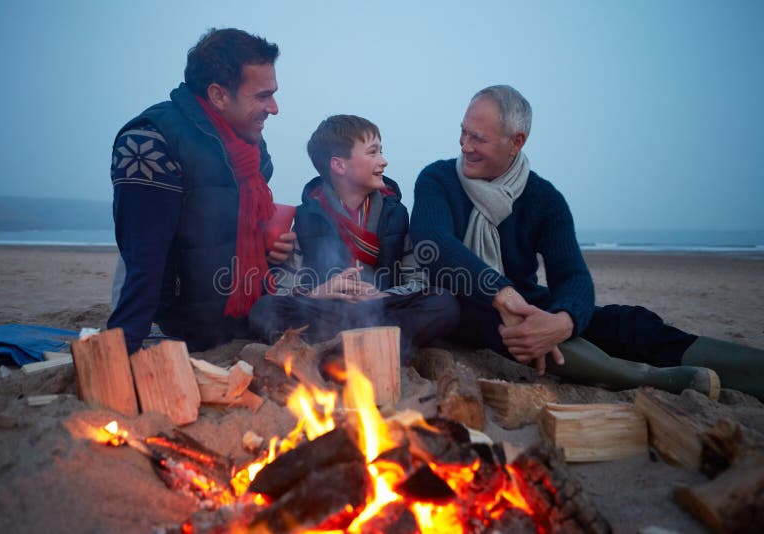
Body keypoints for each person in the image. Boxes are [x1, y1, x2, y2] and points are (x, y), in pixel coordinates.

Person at [410, 85, 764, 399]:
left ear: (516, 141)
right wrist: (501, 293)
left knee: (630, 323)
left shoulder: (544, 199)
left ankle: (750, 370)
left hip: (528, 305)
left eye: (479, 139)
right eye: (463, 132)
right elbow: (433, 243)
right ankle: (649, 380)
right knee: (514, 325)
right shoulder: (438, 179)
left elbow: (574, 277)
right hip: (463, 302)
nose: (464, 145)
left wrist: (563, 321)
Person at [108, 28, 295, 354]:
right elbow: (144, 263)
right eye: (262, 95)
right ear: (219, 95)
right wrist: (121, 352)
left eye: (273, 93)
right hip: (171, 329)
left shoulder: (251, 145)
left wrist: (268, 245)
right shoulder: (150, 141)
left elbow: (224, 229)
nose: (275, 107)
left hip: (235, 321)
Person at [249, 115, 459, 363]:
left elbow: (416, 279)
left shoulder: (396, 214)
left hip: (381, 308)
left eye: (381, 151)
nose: (384, 161)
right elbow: (285, 285)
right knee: (264, 309)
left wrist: (381, 296)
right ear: (339, 165)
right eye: (373, 153)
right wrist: (320, 291)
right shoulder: (307, 217)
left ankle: (340, 349)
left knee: (443, 304)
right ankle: (371, 348)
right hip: (328, 310)